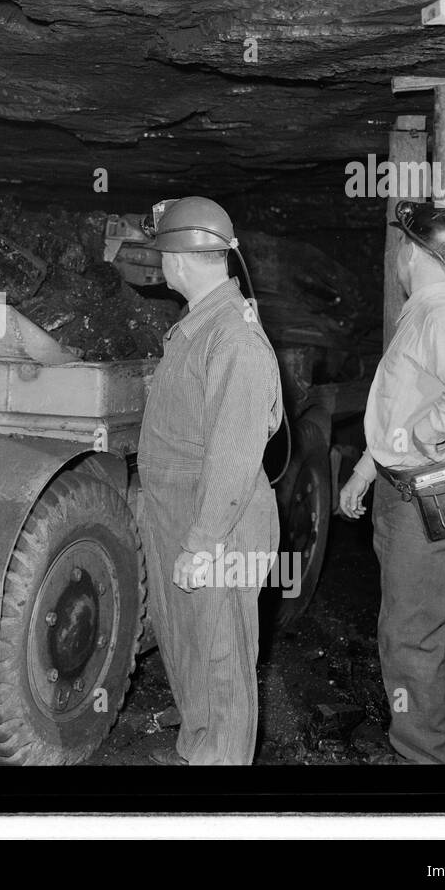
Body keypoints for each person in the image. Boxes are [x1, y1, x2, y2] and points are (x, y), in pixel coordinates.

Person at [338, 202, 445, 765]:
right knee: (428, 631)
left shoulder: (443, 317)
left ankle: (421, 765)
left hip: (425, 498)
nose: (397, 254)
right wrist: (365, 467)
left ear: (415, 253)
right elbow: (402, 402)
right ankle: (441, 752)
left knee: (408, 638)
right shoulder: (422, 312)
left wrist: (418, 437)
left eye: (402, 244)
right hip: (408, 495)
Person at [136, 197, 283, 765]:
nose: (160, 264)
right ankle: (196, 755)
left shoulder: (233, 338)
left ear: (183, 256)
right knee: (190, 652)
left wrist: (201, 543)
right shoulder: (199, 325)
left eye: (163, 251)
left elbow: (234, 453)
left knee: (222, 666)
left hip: (219, 529)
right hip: (185, 518)